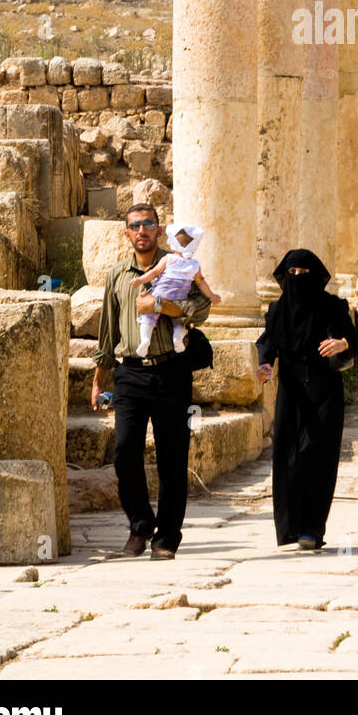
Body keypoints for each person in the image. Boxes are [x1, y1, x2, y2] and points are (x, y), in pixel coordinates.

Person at [91, 204, 221, 560]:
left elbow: (200, 310)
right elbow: (108, 329)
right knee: (124, 452)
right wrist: (99, 376)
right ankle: (140, 525)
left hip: (170, 371)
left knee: (172, 458)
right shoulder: (117, 275)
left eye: (148, 223)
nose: (142, 230)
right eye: (135, 225)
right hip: (130, 373)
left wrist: (160, 305)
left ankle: (167, 536)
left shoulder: (178, 263)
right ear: (127, 234)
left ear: (159, 230)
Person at [256, 248, 358, 551]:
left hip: (325, 392)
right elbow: (268, 342)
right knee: (290, 457)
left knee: (317, 457)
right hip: (290, 394)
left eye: (304, 273)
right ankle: (291, 528)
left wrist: (342, 343)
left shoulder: (332, 307)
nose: (298, 279)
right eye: (292, 274)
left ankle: (313, 529)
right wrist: (265, 364)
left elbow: (355, 339)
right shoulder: (278, 310)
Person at [131, 223, 214, 358]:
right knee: (180, 322)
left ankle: (145, 339)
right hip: (180, 296)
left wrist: (141, 281)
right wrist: (211, 295)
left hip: (161, 292)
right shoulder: (194, 265)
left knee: (148, 317)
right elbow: (200, 282)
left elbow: (154, 272)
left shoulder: (168, 259)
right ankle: (178, 339)